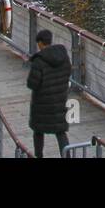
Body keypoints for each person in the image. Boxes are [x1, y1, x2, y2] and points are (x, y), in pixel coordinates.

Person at [26, 29, 72, 158]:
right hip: (60, 100)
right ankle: (67, 156)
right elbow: (68, 73)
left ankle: (39, 156)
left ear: (40, 43)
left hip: (41, 104)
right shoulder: (63, 57)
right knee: (60, 132)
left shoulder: (39, 61)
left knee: (38, 131)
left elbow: (32, 84)